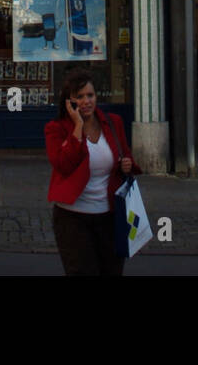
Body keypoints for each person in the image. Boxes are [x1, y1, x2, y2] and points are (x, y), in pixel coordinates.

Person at [44, 68, 141, 276]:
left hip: (110, 217)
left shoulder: (113, 122)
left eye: (90, 95)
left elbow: (127, 157)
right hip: (73, 219)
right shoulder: (56, 129)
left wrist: (127, 164)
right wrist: (78, 126)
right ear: (69, 102)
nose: (87, 101)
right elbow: (63, 164)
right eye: (79, 97)